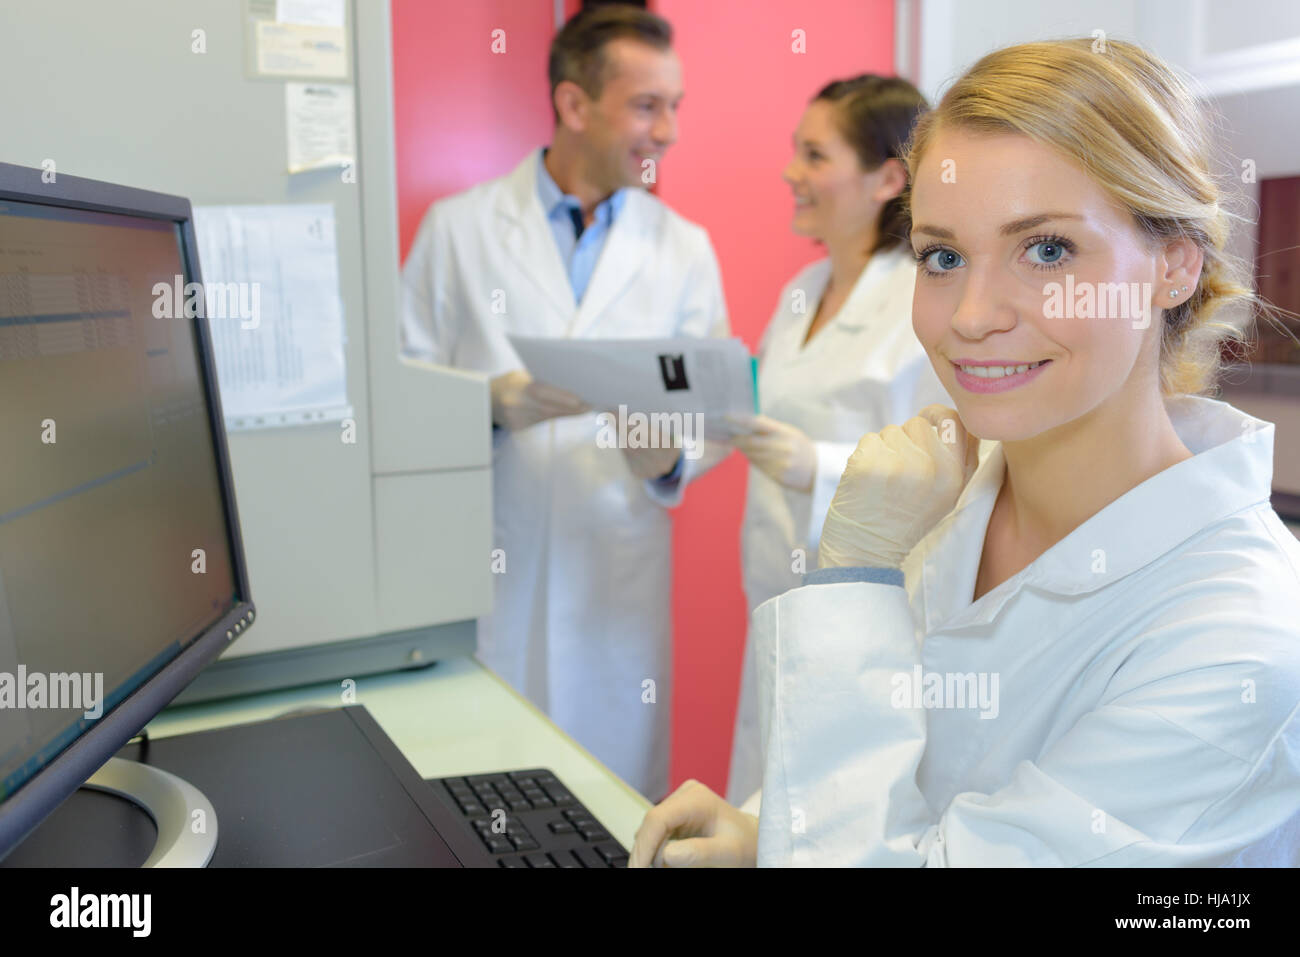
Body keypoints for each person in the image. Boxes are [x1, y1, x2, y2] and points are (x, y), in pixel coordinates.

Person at [630, 36, 1300, 866]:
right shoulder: (957, 517)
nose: (971, 314)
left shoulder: (1240, 638)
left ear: (1173, 265)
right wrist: (768, 834)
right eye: (942, 256)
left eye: (1048, 249)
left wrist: (855, 581)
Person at [400, 5, 728, 801]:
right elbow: (400, 395)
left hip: (613, 574)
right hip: (487, 570)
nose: (670, 130)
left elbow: (716, 411)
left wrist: (670, 454)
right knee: (478, 801)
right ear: (575, 105)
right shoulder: (460, 229)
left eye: (676, 105)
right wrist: (488, 403)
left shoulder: (682, 248)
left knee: (608, 809)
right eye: (649, 105)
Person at [725, 75, 952, 806]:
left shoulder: (922, 299)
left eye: (815, 155)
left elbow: (951, 471)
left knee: (837, 811)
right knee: (763, 807)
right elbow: (758, 408)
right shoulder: (803, 291)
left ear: (889, 176)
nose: (792, 172)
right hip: (777, 604)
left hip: (874, 620)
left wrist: (815, 467)